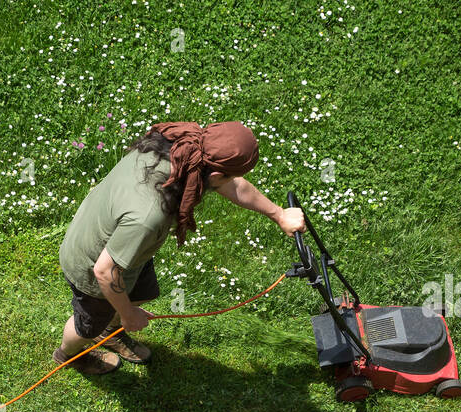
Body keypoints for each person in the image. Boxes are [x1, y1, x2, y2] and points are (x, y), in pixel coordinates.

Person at [55, 120, 305, 374]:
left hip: (123, 245)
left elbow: (233, 184)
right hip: (92, 263)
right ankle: (69, 354)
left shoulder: (181, 146)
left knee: (144, 292)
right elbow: (105, 272)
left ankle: (109, 329)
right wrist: (128, 314)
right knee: (87, 325)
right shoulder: (148, 216)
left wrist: (278, 214)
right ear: (216, 175)